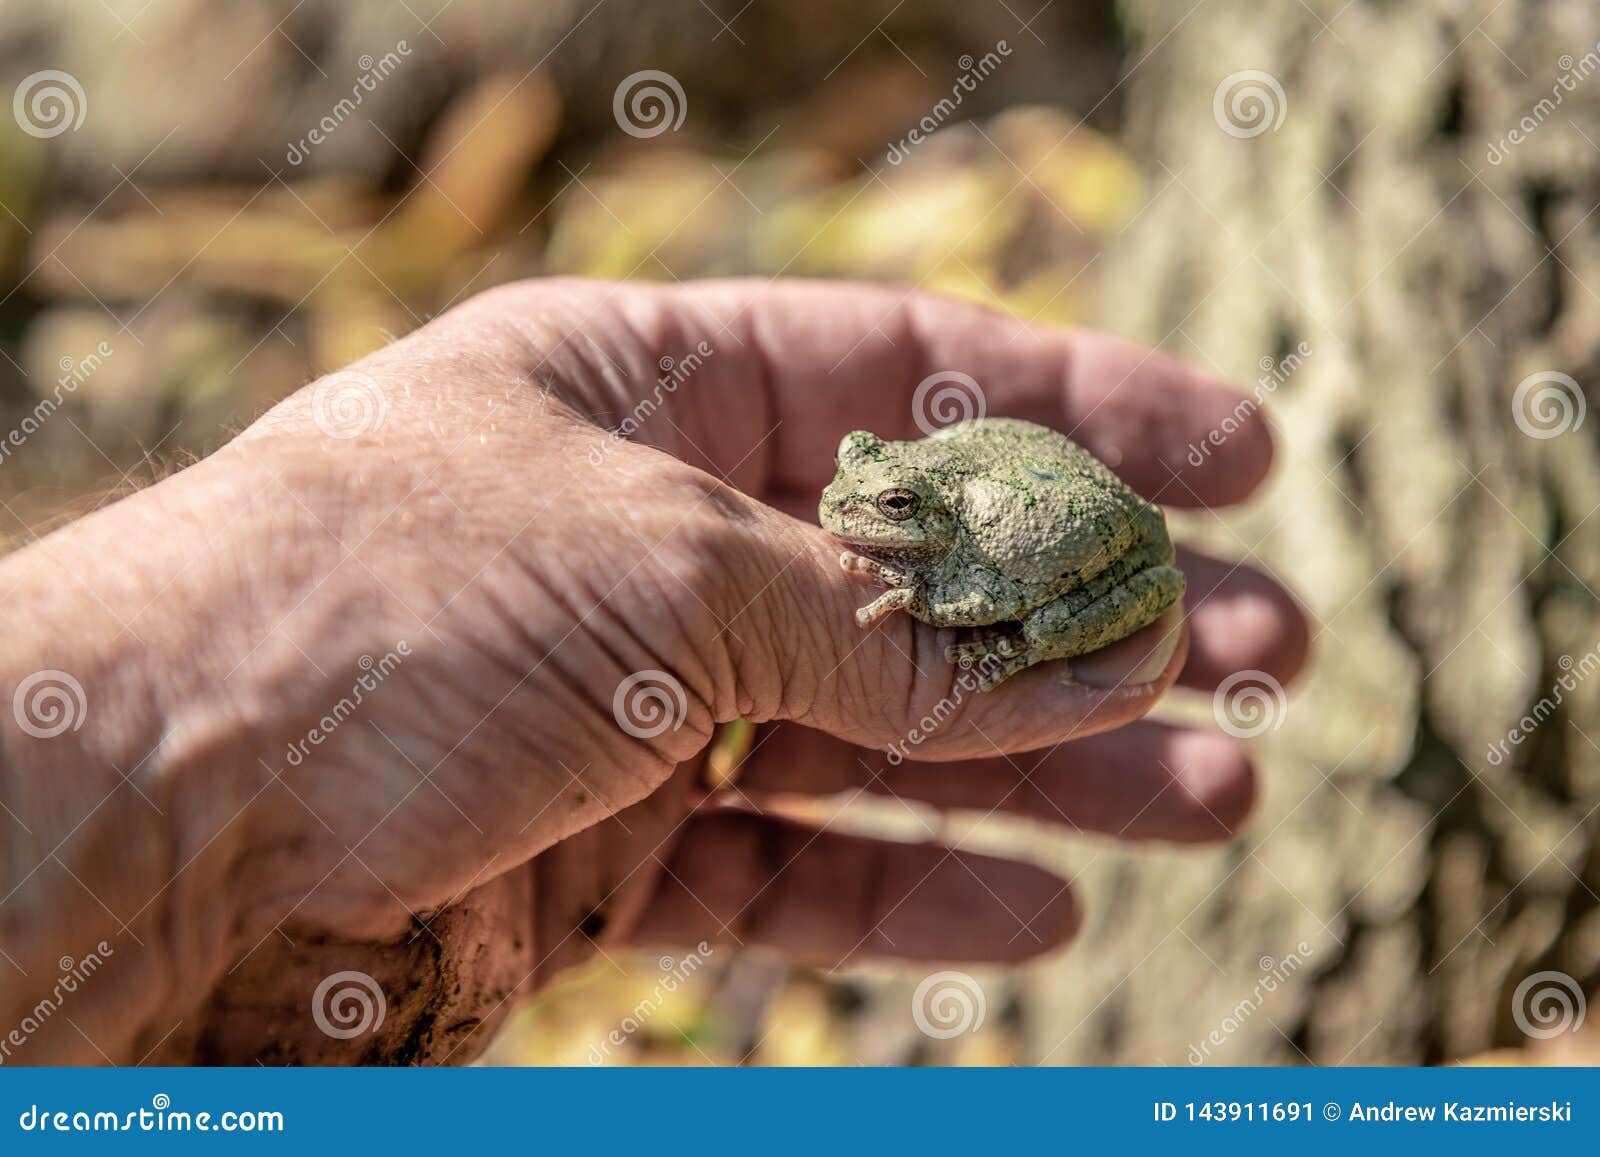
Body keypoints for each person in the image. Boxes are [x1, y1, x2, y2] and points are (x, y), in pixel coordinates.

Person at [0, 279, 1306, 1064]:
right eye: (857, 484)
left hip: (1085, 563)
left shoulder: (965, 546)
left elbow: (1048, 567)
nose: (855, 518)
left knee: (1123, 595)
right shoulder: (888, 501)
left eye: (888, 510)